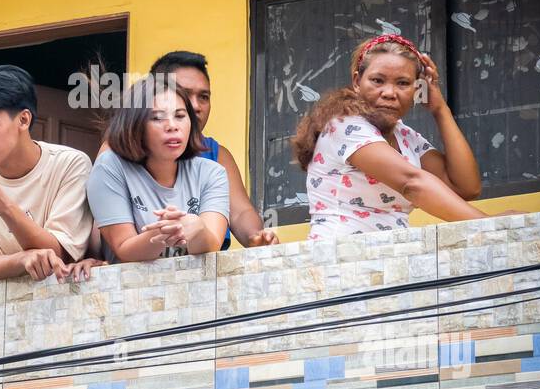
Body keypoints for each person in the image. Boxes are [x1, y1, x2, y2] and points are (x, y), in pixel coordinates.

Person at [291, 33, 484, 239]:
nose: (390, 92)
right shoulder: (344, 126)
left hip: (388, 256)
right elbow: (412, 184)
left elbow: (465, 188)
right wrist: (491, 225)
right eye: (377, 80)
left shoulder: (406, 137)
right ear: (357, 81)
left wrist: (439, 109)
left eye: (403, 83)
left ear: (417, 89)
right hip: (340, 257)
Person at [0, 64, 96, 282]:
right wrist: (21, 260)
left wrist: (6, 209)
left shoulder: (70, 164)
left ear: (23, 120)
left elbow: (60, 253)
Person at [87, 76, 229, 262]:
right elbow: (124, 249)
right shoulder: (110, 167)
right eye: (157, 117)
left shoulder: (212, 173)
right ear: (135, 125)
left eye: (180, 116)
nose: (172, 126)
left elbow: (212, 246)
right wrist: (164, 233)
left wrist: (196, 228)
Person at [148, 51, 279, 249]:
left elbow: (240, 212)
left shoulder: (218, 155)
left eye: (204, 97)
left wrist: (258, 237)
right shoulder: (121, 149)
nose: (196, 105)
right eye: (183, 94)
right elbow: (103, 217)